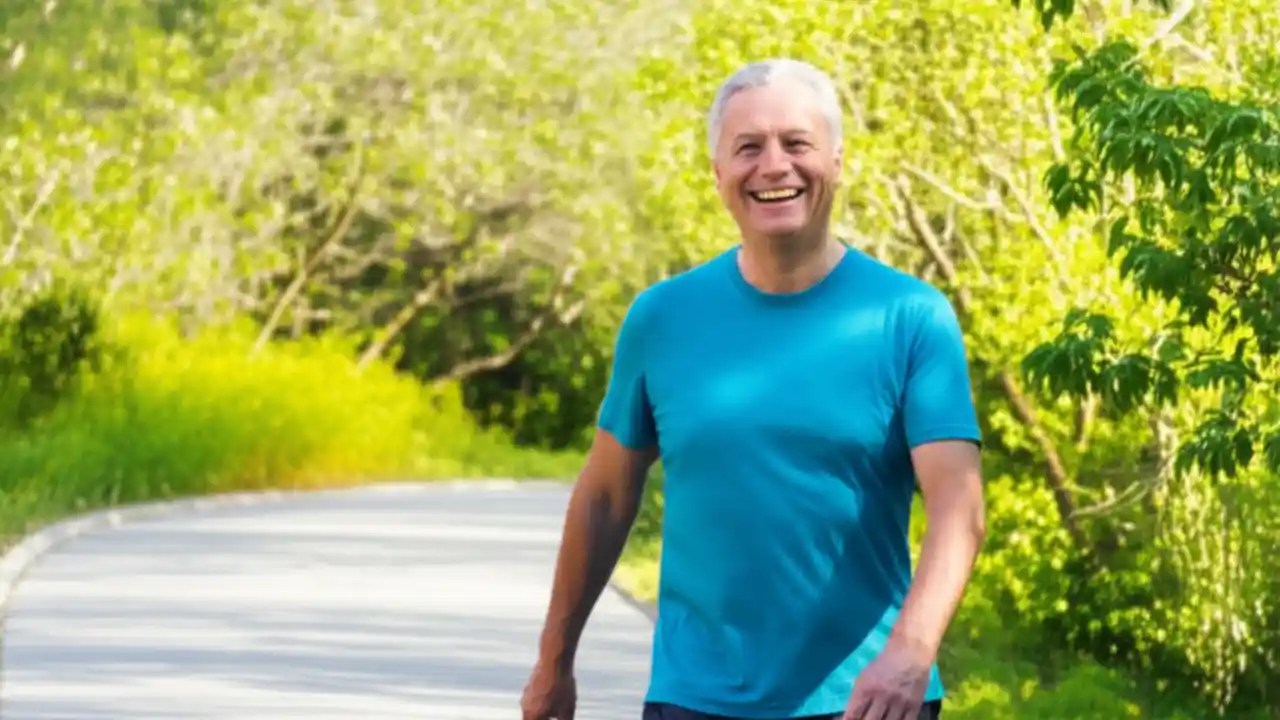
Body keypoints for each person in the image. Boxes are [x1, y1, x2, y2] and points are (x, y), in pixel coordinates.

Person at [520, 58, 986, 720]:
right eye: (748, 148)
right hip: (693, 697)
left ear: (836, 160)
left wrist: (911, 653)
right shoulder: (662, 318)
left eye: (797, 143)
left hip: (868, 699)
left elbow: (958, 509)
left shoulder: (910, 316)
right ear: (718, 176)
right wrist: (553, 665)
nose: (774, 166)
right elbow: (603, 498)